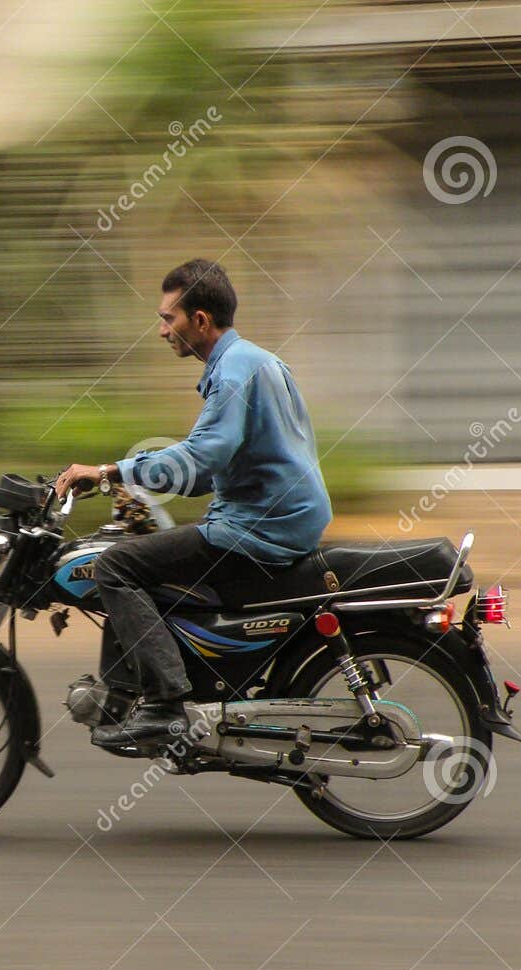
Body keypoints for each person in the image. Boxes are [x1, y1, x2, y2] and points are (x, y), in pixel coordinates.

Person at [54, 259, 332, 748]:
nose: (162, 330)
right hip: (276, 518)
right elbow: (216, 468)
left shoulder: (233, 373)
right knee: (150, 555)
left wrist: (108, 472)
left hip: (258, 530)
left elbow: (203, 456)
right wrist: (137, 483)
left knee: (115, 568)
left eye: (168, 319)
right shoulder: (254, 360)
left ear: (200, 321)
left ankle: (165, 703)